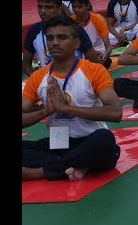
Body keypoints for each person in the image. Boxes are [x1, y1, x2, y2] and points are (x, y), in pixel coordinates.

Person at [21, 16, 123, 182]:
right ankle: (78, 165)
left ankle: (41, 172)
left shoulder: (93, 70)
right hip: (58, 142)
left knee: (105, 140)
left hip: (91, 140)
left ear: (76, 43)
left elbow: (115, 112)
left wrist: (66, 108)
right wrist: (46, 111)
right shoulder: (39, 76)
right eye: (50, 38)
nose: (55, 42)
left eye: (62, 38)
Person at [23, 0, 103, 76]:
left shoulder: (75, 29)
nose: (43, 11)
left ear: (60, 8)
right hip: (48, 84)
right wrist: (37, 82)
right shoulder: (34, 31)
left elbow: (94, 62)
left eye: (48, 7)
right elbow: (26, 63)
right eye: (40, 7)